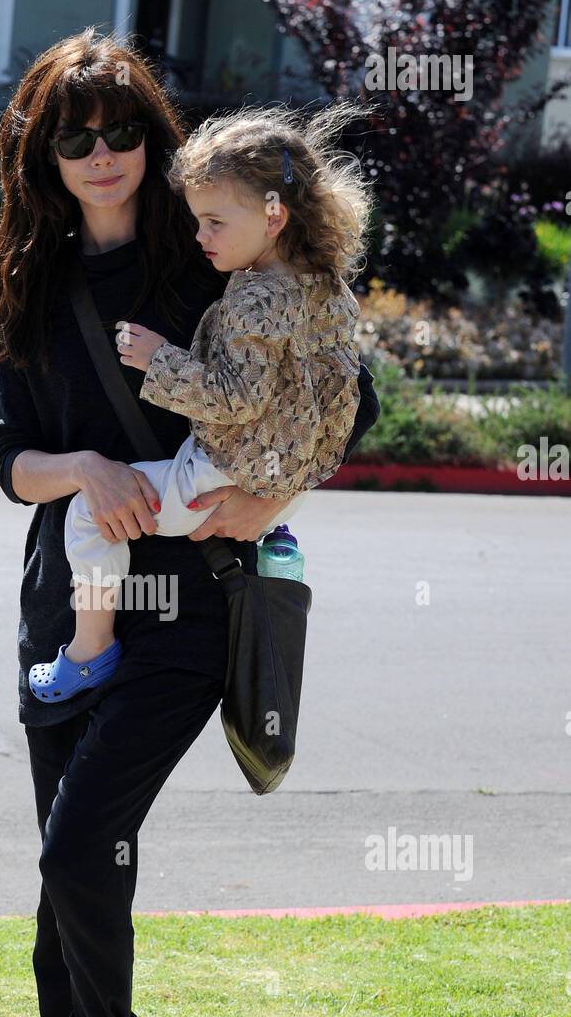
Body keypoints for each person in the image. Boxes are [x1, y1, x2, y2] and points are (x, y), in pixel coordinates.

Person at [0, 27, 381, 1017]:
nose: (100, 155)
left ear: (153, 143)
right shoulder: (25, 275)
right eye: (73, 137)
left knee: (80, 842)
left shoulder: (210, 252)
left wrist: (268, 496)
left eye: (121, 133)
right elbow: (5, 460)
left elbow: (354, 391)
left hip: (188, 598)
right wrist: (81, 469)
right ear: (42, 155)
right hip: (70, 598)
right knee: (70, 861)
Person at [29, 100, 372, 703]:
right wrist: (285, 483)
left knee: (89, 514)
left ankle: (88, 652)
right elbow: (340, 387)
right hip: (282, 463)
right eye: (196, 220)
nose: (200, 236)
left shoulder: (253, 301)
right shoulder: (324, 285)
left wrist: (158, 360)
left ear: (273, 217)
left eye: (214, 222)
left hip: (218, 473)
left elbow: (235, 398)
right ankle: (278, 535)